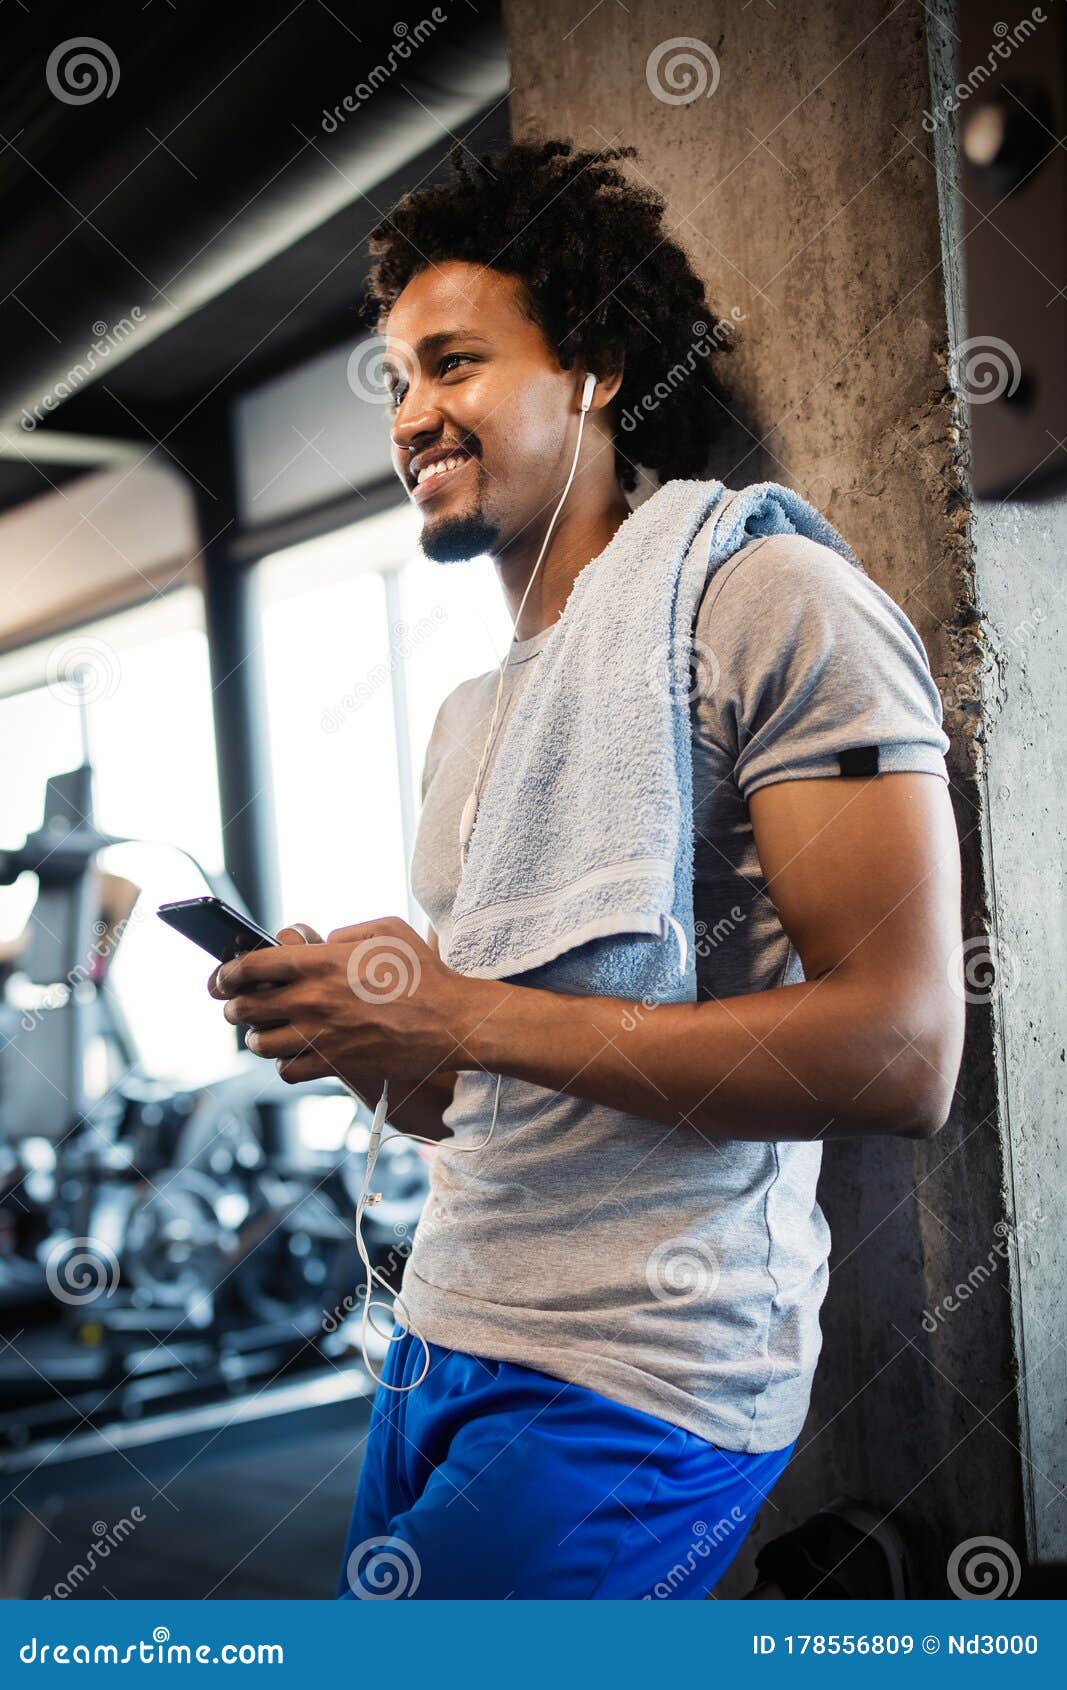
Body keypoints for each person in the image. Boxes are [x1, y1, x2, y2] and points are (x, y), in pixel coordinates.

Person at [208, 140, 964, 1600]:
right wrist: (361, 1035)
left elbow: (907, 1050)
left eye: (452, 364)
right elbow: (471, 1092)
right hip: (442, 1332)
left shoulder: (769, 599)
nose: (412, 415)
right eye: (397, 383)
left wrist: (454, 1014)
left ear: (597, 370)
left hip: (638, 1373)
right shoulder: (472, 720)